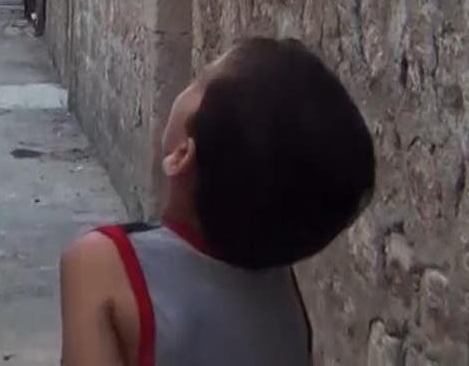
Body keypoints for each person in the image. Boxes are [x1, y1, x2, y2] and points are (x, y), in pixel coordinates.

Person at [59, 37, 376, 366]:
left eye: (200, 80)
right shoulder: (282, 290)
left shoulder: (102, 265)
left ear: (182, 155)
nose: (190, 82)